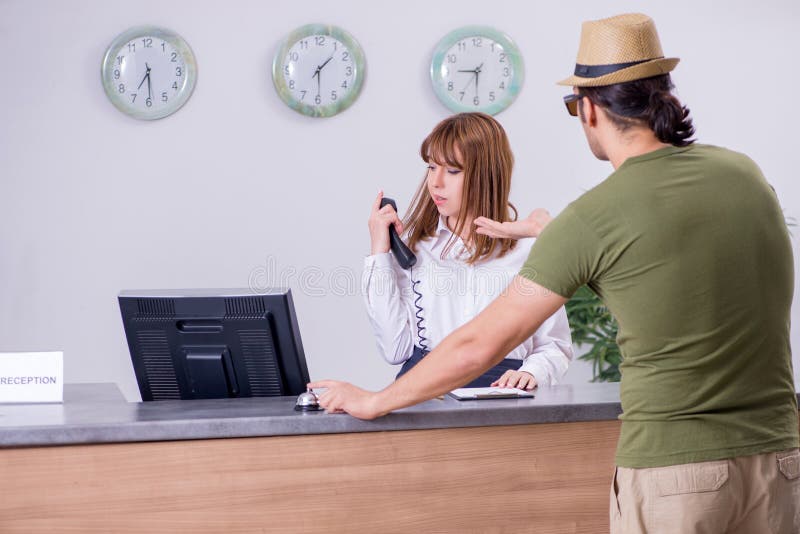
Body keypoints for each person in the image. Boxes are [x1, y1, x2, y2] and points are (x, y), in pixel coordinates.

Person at [311, 13, 799, 533]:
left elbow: (479, 345)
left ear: (588, 108)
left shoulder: (592, 218)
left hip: (676, 473)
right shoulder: (745, 175)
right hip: (783, 461)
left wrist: (374, 400)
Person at [364, 112, 572, 390]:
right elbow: (395, 350)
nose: (436, 182)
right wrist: (380, 252)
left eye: (452, 171)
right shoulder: (415, 250)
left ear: (485, 174)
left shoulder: (527, 249)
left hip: (500, 393)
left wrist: (532, 372)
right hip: (425, 395)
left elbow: (554, 345)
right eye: (431, 167)